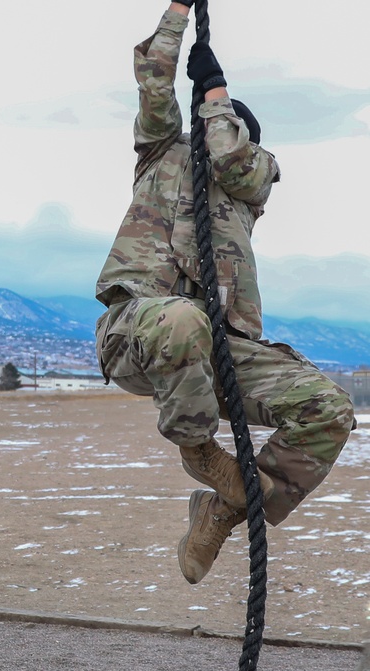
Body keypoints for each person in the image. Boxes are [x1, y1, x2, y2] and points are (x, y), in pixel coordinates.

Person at [95, 2, 355, 585]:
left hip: (219, 349)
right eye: (210, 126)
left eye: (226, 128)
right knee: (183, 317)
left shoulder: (252, 184)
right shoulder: (162, 154)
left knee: (330, 411)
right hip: (137, 329)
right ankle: (202, 454)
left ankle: (223, 508)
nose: (213, 140)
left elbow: (235, 160)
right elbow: (155, 78)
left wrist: (216, 92)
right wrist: (179, 13)